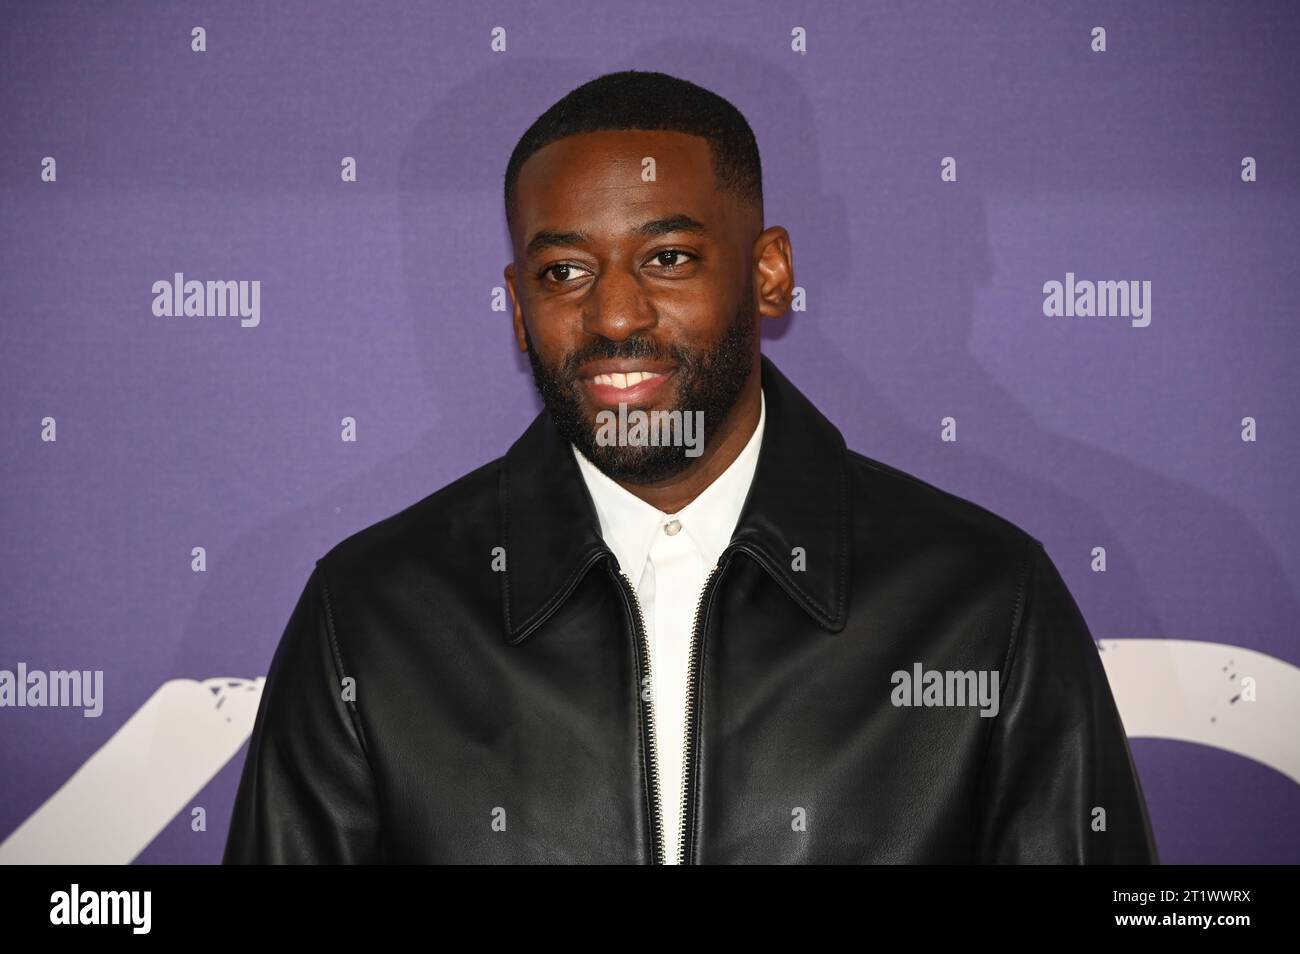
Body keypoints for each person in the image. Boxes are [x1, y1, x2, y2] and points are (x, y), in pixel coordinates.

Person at [223, 69, 1158, 864]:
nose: (616, 315)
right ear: (516, 307)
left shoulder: (981, 601)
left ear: (769, 273)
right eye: (564, 273)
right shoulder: (376, 614)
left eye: (667, 257)